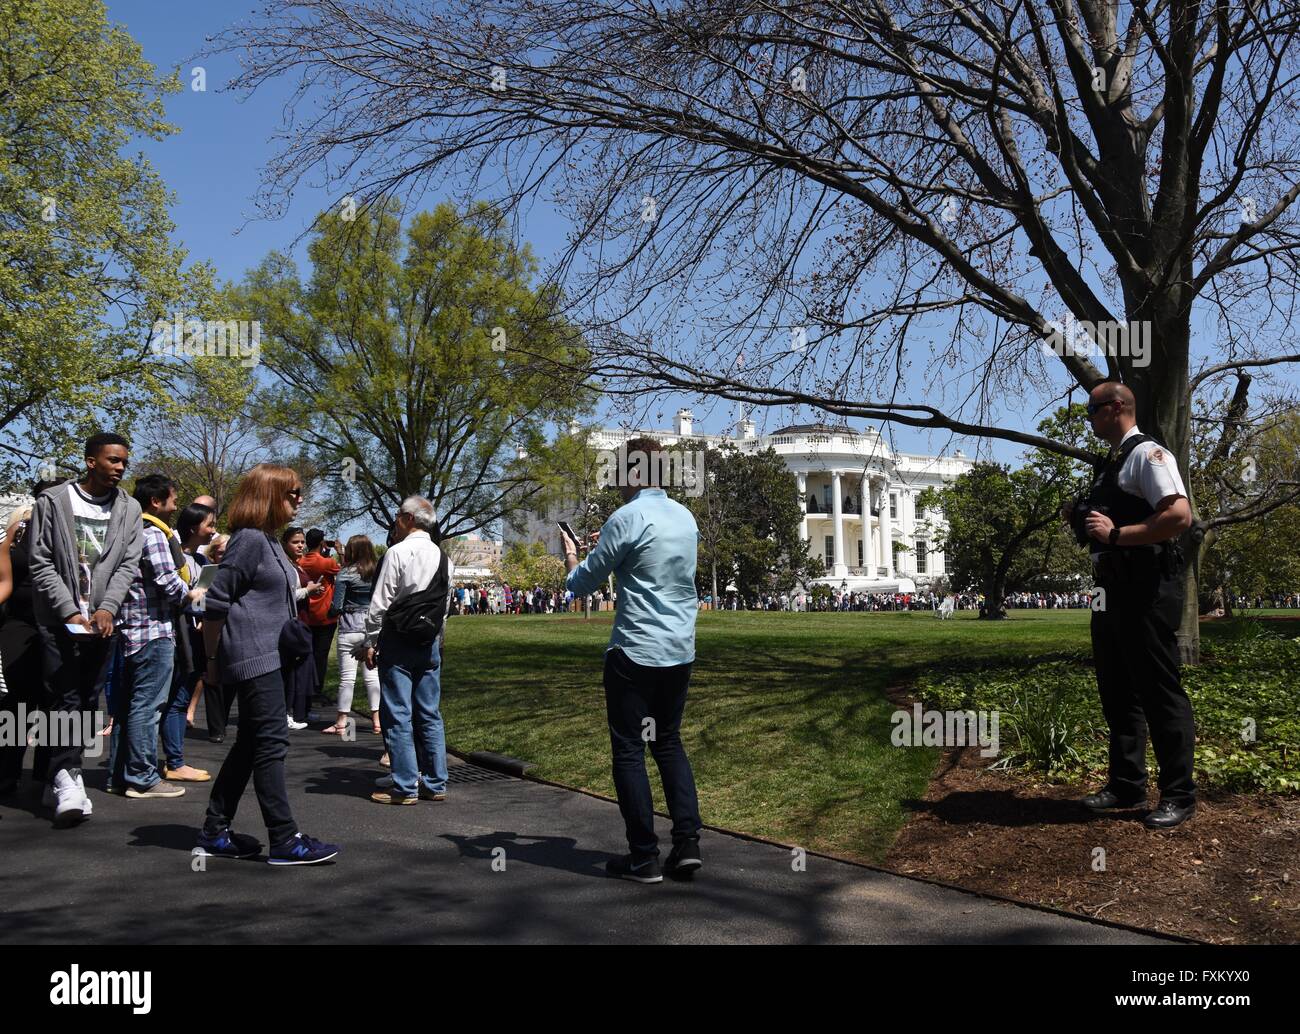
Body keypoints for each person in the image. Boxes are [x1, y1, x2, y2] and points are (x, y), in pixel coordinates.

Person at [560, 437, 703, 883]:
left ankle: (644, 855)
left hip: (635, 650)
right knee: (668, 743)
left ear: (635, 474)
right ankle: (687, 843)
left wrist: (573, 559)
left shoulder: (626, 517)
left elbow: (583, 583)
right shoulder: (685, 517)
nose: (616, 481)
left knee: (628, 751)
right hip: (679, 649)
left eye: (619, 472)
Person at [1063, 381, 1196, 830]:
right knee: (1117, 690)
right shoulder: (1113, 462)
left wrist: (1117, 534)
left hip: (1145, 587)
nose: (1089, 418)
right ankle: (1126, 784)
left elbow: (1178, 515)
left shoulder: (1147, 454)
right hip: (1109, 591)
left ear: (1116, 407)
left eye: (1093, 410)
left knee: (1159, 690)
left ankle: (1179, 795)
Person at [195, 464, 339, 864]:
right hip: (252, 657)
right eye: (293, 492)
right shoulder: (250, 541)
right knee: (272, 743)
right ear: (270, 494)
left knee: (249, 745)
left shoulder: (270, 542)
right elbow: (216, 601)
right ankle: (284, 838)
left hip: (269, 655)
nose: (300, 498)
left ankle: (214, 828)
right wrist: (210, 662)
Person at [28, 433, 143, 827]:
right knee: (64, 696)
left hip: (103, 621)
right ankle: (66, 775)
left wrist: (108, 607)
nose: (120, 468)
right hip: (58, 620)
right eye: (112, 460)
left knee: (89, 698)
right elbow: (40, 561)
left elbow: (128, 563)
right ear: (91, 462)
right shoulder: (54, 501)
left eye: (124, 462)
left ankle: (60, 774)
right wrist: (68, 611)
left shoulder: (130, 509)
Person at [107, 474, 204, 798]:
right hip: (153, 631)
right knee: (147, 707)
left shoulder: (129, 531)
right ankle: (143, 777)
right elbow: (168, 581)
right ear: (156, 501)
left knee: (128, 707)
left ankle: (119, 775)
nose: (176, 504)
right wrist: (191, 594)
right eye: (173, 498)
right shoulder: (154, 535)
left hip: (131, 632)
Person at [364, 497, 452, 805]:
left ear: (409, 519)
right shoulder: (444, 558)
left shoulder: (396, 552)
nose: (395, 521)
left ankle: (404, 785)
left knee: (398, 713)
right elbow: (444, 608)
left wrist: (371, 641)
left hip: (398, 639)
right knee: (429, 712)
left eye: (398, 516)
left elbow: (380, 604)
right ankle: (436, 781)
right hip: (428, 641)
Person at [163, 502, 217, 774]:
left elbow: (203, 600)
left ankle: (174, 758)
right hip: (175, 636)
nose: (213, 530)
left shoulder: (205, 562)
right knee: (170, 698)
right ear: (195, 527)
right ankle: (172, 761)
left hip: (195, 637)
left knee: (180, 698)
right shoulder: (174, 559)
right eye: (210, 524)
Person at [324, 535, 382, 736]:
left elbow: (337, 606)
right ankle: (377, 720)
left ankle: (342, 722)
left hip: (349, 627)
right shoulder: (378, 572)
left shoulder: (345, 573)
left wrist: (329, 612)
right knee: (372, 677)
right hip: (372, 629)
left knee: (347, 678)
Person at [280, 527, 322, 729]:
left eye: (302, 542)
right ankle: (286, 712)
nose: (300, 546)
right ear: (285, 544)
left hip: (303, 621)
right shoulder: (286, 567)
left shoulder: (298, 565)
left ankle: (300, 709)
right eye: (295, 542)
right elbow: (288, 595)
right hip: (291, 624)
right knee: (290, 669)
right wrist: (308, 590)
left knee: (301, 668)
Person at [299, 528, 341, 707]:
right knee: (321, 656)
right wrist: (339, 551)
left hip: (306, 614)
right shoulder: (327, 563)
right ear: (322, 542)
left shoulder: (300, 561)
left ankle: (303, 688)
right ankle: (316, 690)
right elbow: (345, 571)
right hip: (324, 616)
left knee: (307, 654)